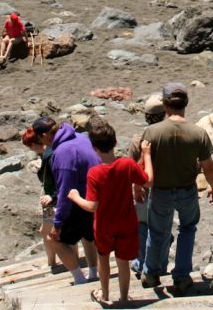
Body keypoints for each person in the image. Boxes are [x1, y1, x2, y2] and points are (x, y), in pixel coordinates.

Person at [141, 83, 213, 295]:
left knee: (157, 231)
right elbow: (208, 166)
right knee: (187, 229)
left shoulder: (152, 132)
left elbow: (142, 164)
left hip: (160, 191)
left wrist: (137, 186)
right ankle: (182, 277)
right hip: (187, 190)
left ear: (165, 105)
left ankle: (150, 272)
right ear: (186, 104)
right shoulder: (198, 133)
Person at [68, 120, 153, 306]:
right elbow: (149, 181)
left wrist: (75, 197)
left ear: (94, 147)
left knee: (103, 259)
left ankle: (105, 295)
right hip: (126, 222)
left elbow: (92, 206)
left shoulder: (94, 173)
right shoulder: (127, 164)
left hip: (104, 225)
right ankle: (123, 298)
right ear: (115, 143)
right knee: (123, 262)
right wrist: (146, 155)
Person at [44, 116, 101, 285]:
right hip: (94, 197)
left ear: (45, 136)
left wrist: (58, 223)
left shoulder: (61, 152)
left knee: (52, 238)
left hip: (77, 201)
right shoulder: (81, 138)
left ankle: (79, 278)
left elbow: (64, 190)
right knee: (88, 237)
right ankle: (93, 273)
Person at [125, 94, 166, 278]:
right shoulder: (167, 137)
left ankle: (141, 262)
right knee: (162, 229)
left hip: (141, 189)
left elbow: (130, 166)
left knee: (142, 227)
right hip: (163, 188)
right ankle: (161, 265)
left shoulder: (137, 140)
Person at [22, 121, 63, 272]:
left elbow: (58, 179)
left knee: (47, 232)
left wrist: (53, 195)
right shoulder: (50, 152)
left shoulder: (49, 155)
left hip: (52, 199)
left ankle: (53, 263)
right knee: (49, 230)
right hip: (53, 197)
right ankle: (53, 261)